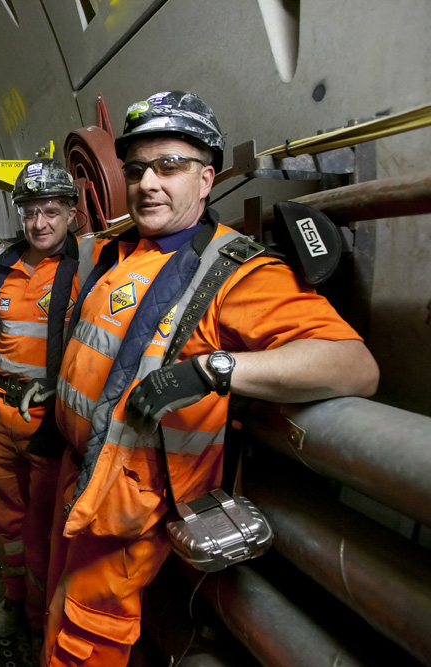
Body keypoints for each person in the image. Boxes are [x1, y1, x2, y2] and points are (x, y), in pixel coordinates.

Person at [44, 91, 379, 666]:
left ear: (205, 180)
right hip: (77, 478)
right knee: (54, 616)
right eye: (136, 169)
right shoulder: (120, 253)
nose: (148, 183)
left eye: (170, 166)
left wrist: (215, 369)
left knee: (81, 645)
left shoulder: (233, 272)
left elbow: (352, 365)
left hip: (126, 506)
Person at [0, 157, 81, 644]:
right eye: (30, 212)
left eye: (51, 211)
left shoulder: (86, 269)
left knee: (42, 531)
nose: (40, 223)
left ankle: (39, 621)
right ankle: (15, 598)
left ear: (71, 213)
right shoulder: (1, 265)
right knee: (6, 522)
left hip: (46, 422)